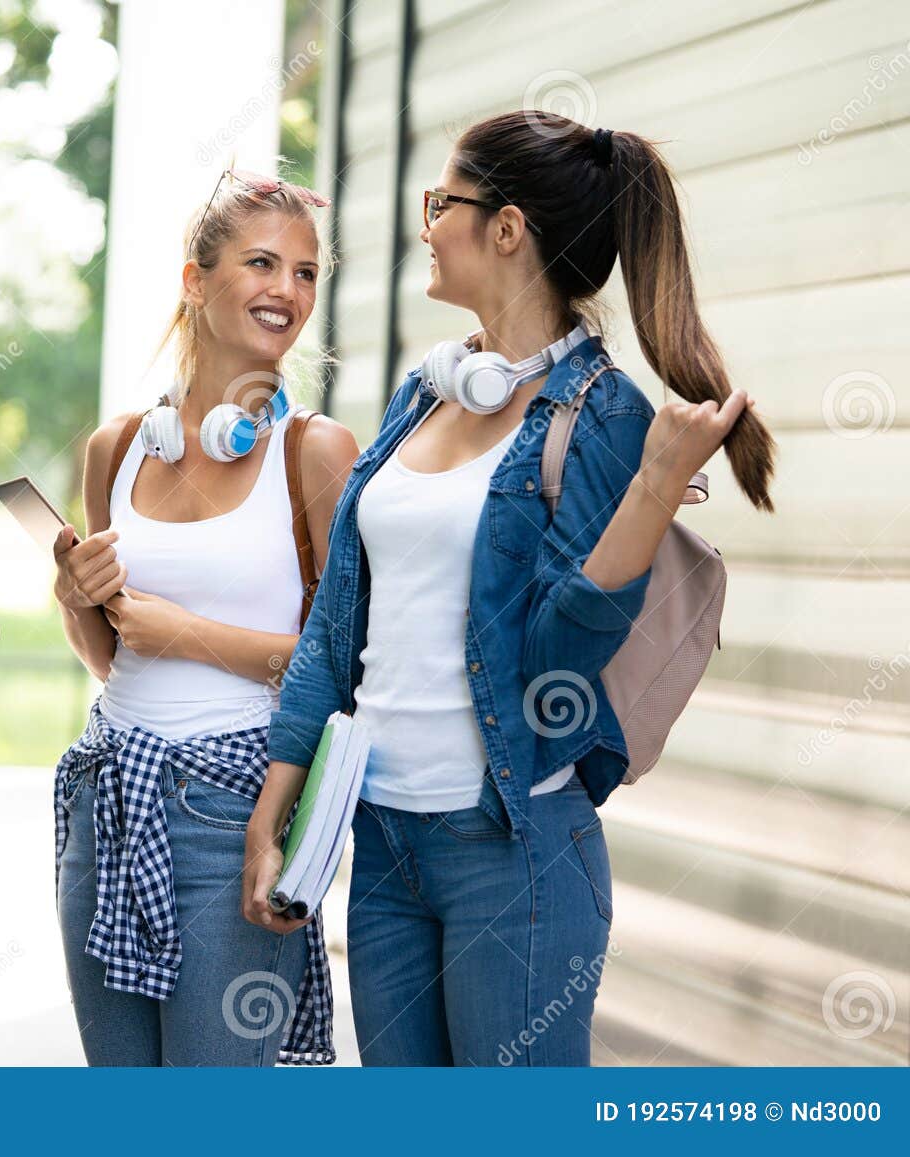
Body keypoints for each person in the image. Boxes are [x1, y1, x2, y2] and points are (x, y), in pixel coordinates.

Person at [243, 112, 777, 1066]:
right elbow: (337, 625)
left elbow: (555, 664)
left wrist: (654, 491)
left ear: (506, 228)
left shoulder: (607, 418)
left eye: (441, 202)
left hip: (511, 849)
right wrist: (276, 806)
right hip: (384, 843)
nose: (426, 224)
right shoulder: (426, 392)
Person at [51, 168, 360, 1066]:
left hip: (235, 815)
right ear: (196, 279)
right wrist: (78, 600)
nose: (288, 291)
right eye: (262, 263)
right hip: (109, 799)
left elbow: (339, 665)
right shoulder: (117, 449)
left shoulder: (317, 451)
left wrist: (186, 634)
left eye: (306, 273)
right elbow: (108, 657)